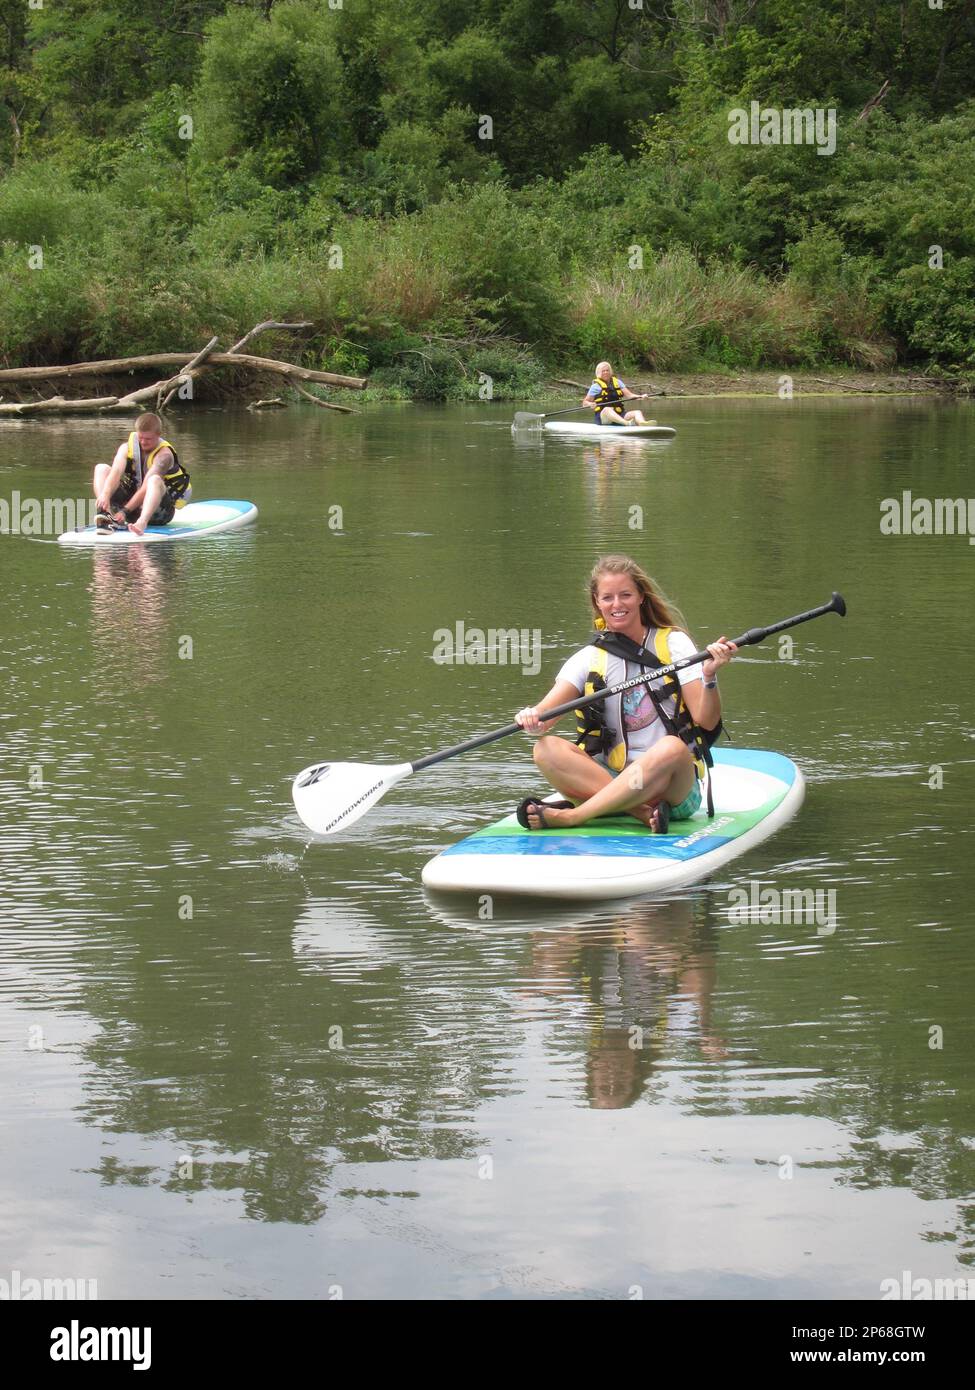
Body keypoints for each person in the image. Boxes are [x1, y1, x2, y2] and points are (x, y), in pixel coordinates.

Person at [515, 555, 737, 833]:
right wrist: (531, 717)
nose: (617, 605)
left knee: (671, 748)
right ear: (597, 602)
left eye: (625, 595)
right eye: (608, 598)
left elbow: (705, 721)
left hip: (671, 787)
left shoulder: (674, 643)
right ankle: (642, 813)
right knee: (545, 748)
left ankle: (575, 816)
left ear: (641, 597)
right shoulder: (587, 658)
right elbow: (544, 718)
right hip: (613, 779)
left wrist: (709, 676)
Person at [93, 413, 191, 535]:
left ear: (158, 435)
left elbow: (145, 488)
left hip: (158, 513)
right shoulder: (126, 448)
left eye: (148, 439)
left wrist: (125, 511)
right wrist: (105, 495)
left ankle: (142, 522)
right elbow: (116, 472)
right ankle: (105, 517)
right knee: (101, 468)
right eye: (140, 438)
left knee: (154, 480)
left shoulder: (164, 456)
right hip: (128, 509)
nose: (143, 442)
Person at [582, 361, 651, 426]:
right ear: (599, 373)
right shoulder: (595, 386)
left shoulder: (618, 382)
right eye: (603, 371)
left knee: (637, 412)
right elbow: (585, 402)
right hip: (604, 418)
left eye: (607, 370)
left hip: (619, 414)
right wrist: (590, 404)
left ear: (610, 371)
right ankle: (627, 423)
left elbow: (629, 395)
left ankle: (643, 424)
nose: (606, 372)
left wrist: (641, 396)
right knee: (607, 409)